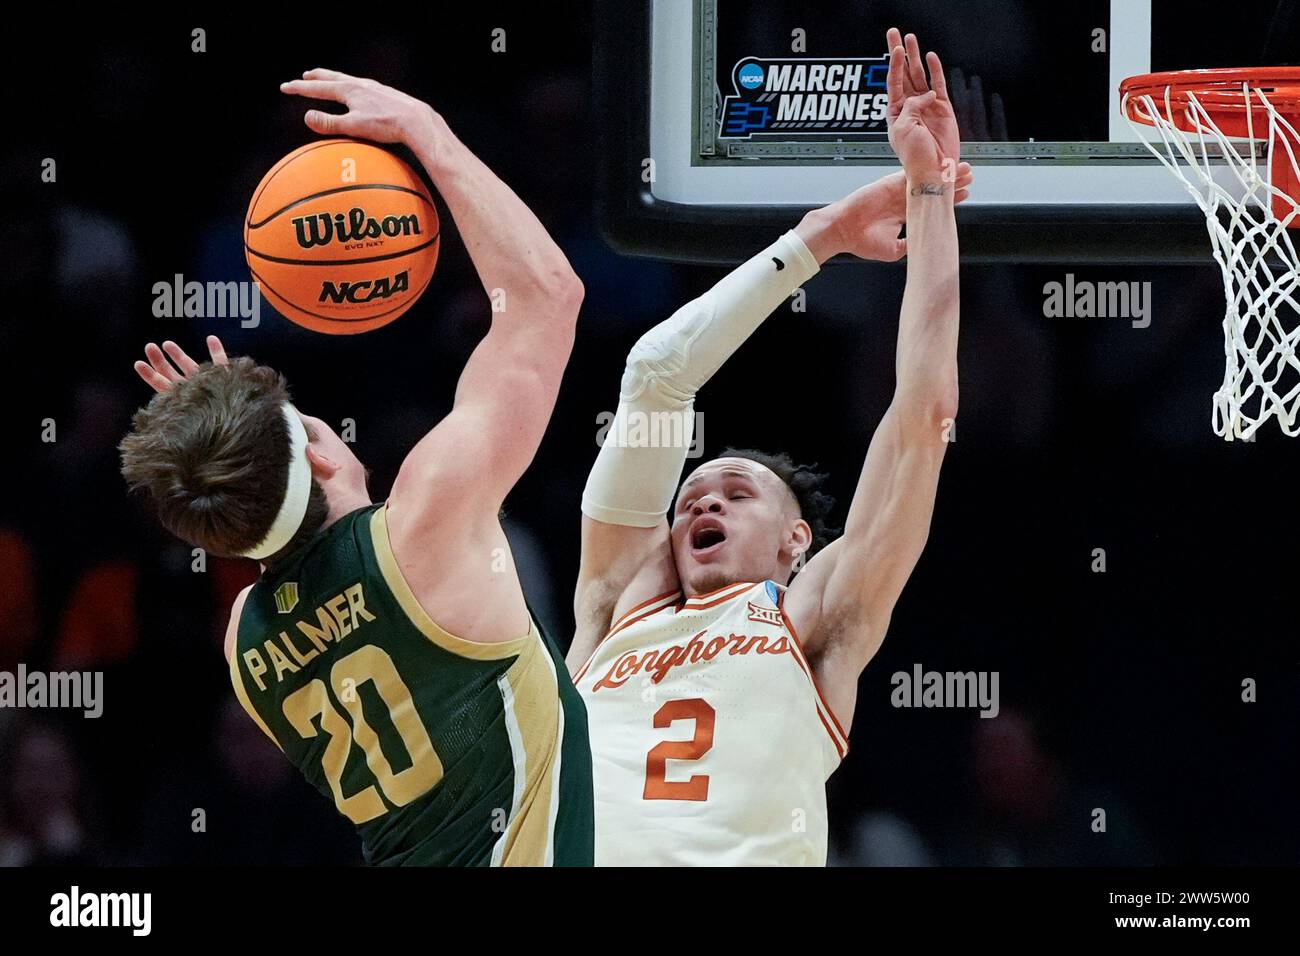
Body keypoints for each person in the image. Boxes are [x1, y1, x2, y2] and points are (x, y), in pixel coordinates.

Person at [120, 70, 592, 866]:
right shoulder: (424, 525)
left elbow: (258, 514)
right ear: (313, 449)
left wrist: (208, 443)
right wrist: (427, 130)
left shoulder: (246, 644)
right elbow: (547, 296)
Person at [568, 29, 964, 865]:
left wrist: (929, 195)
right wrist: (818, 238)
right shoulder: (614, 602)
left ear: (798, 542)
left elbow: (923, 415)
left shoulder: (815, 616)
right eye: (691, 500)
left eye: (737, 493)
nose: (702, 500)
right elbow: (657, 376)